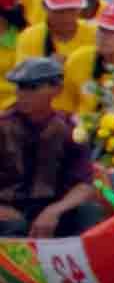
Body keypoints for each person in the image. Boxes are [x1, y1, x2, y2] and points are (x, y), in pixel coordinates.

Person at [0, 55, 102, 237]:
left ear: (57, 89)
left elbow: (84, 185)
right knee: (15, 226)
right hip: (7, 210)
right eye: (20, 88)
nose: (23, 95)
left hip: (50, 208)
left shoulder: (70, 129)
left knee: (90, 213)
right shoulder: (2, 125)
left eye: (32, 88)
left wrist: (54, 211)